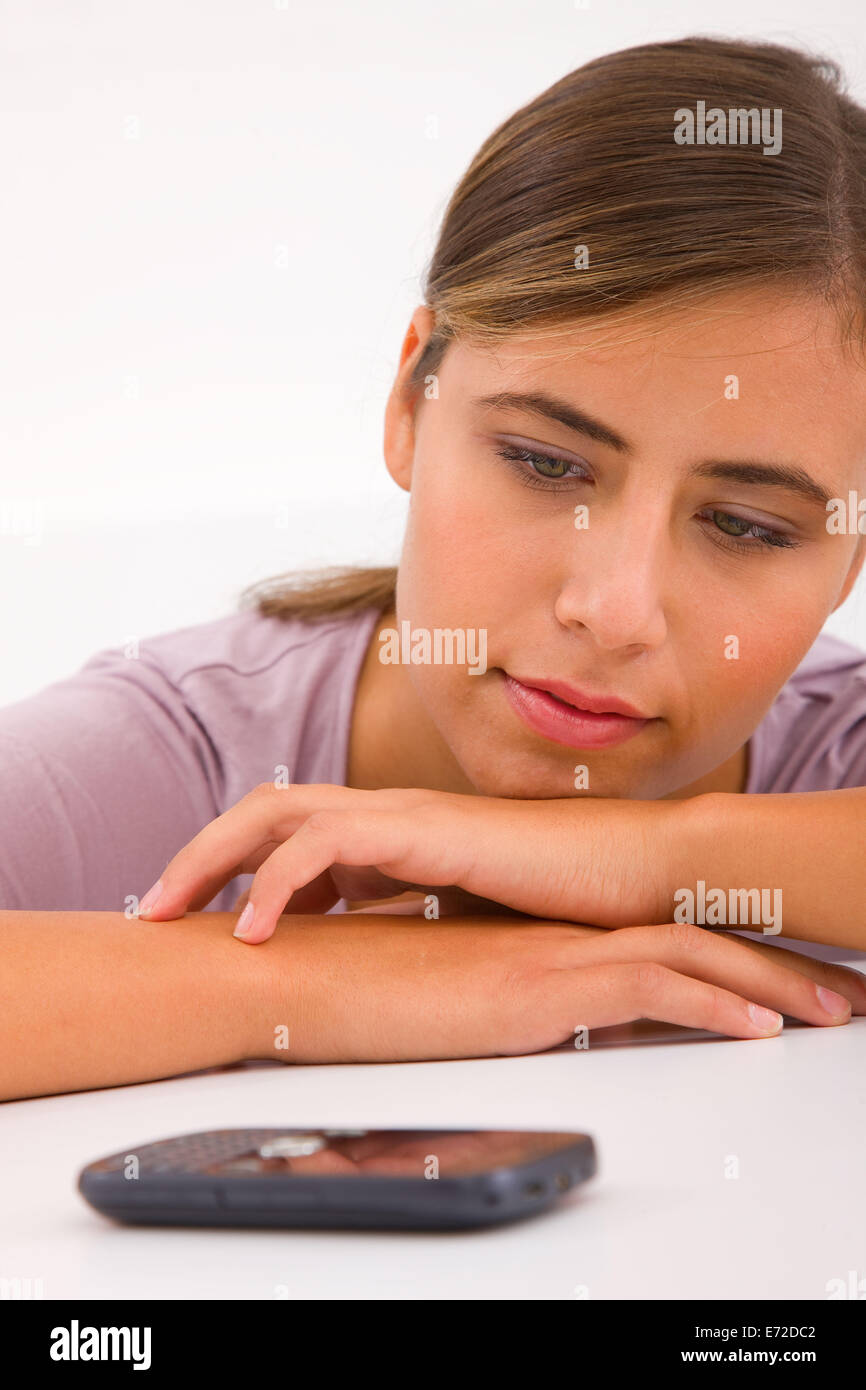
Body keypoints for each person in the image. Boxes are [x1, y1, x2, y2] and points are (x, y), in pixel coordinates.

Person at [3, 34, 866, 1101]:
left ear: (849, 559)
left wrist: (635, 859)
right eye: (545, 462)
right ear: (411, 402)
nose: (612, 609)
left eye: (745, 525)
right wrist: (301, 982)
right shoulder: (163, 756)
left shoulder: (838, 758)